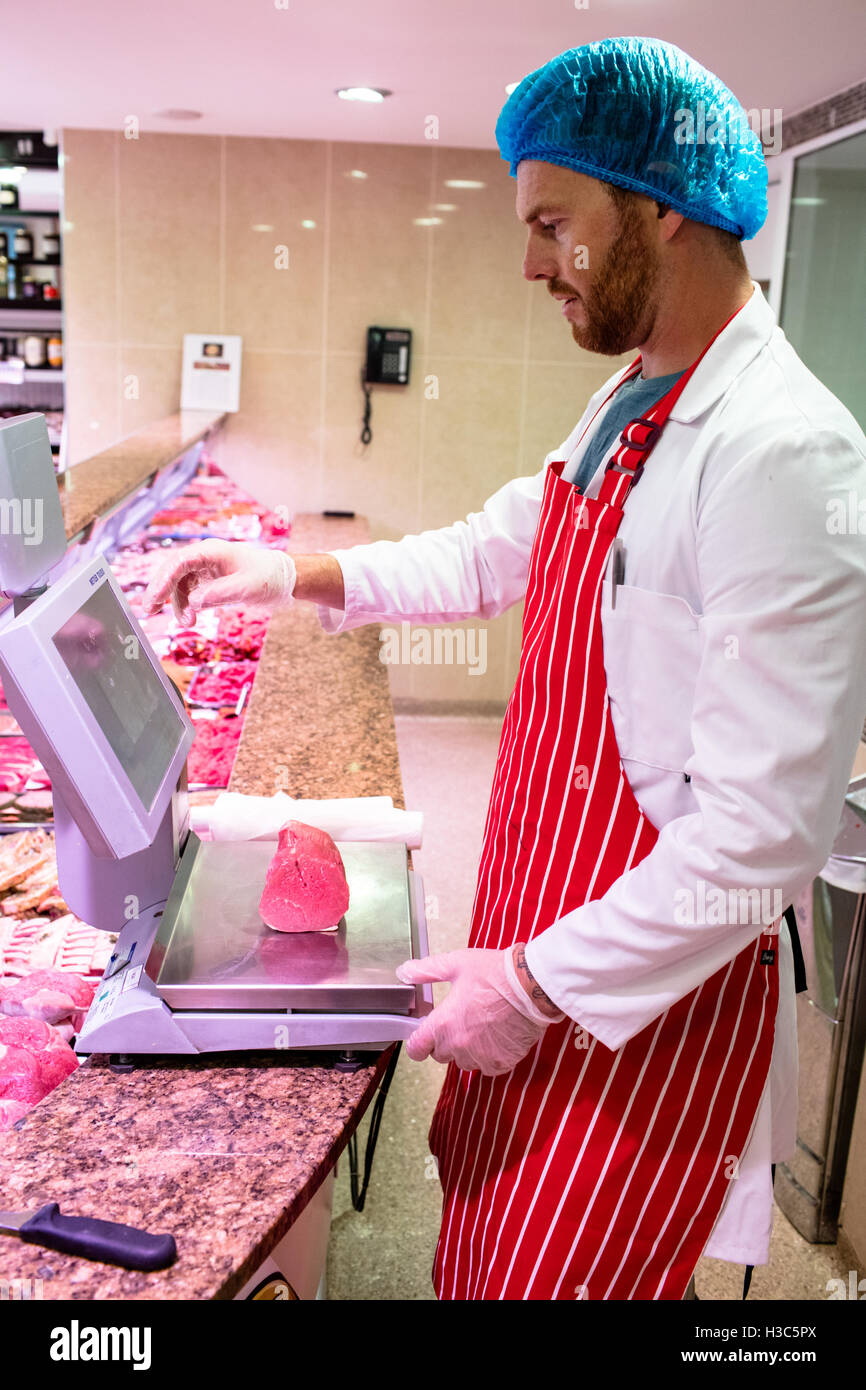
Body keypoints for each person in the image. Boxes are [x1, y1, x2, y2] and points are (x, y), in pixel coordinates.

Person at [144, 37, 866, 1301]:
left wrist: (535, 985)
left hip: (648, 1006)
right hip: (541, 931)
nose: (530, 261)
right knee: (481, 1256)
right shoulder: (635, 396)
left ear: (662, 209)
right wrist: (296, 576)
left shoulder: (783, 454)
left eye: (552, 223)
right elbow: (496, 548)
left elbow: (760, 838)